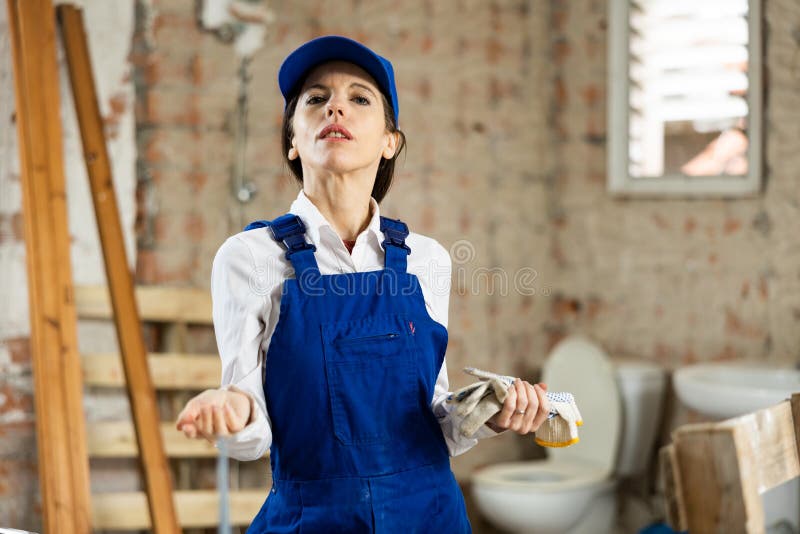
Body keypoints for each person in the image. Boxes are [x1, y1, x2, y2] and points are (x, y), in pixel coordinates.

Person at [176, 35, 551, 533]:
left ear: (389, 140)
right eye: (315, 99)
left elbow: (433, 418)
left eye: (359, 98)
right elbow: (253, 435)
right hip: (314, 518)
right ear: (292, 138)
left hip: (430, 516)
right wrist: (232, 408)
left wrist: (490, 413)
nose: (335, 107)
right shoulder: (249, 258)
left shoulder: (426, 259)